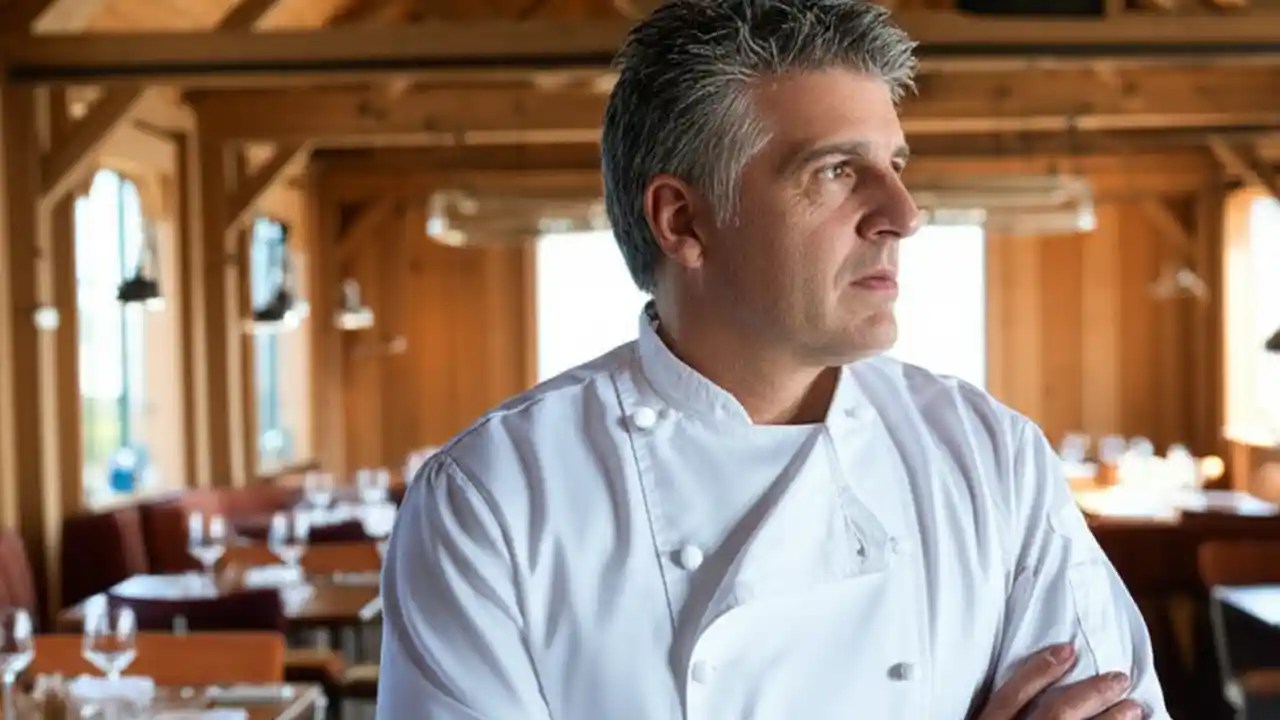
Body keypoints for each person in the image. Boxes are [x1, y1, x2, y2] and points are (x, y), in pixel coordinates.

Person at [377, 1, 1169, 718]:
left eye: (895, 166)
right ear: (684, 221)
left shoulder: (991, 461)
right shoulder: (495, 499)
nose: (903, 214)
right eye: (834, 170)